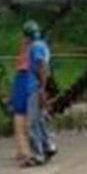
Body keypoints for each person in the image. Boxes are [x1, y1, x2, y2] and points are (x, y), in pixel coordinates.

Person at [9, 20, 42, 167]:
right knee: (33, 119)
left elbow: (19, 65)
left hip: (24, 80)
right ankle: (25, 149)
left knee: (19, 118)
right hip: (32, 82)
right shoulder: (40, 46)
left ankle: (24, 151)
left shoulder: (26, 48)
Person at [27, 24, 57, 162]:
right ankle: (48, 146)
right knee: (41, 117)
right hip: (41, 84)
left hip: (36, 86)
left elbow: (41, 67)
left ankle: (38, 153)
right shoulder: (42, 45)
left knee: (33, 121)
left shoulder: (35, 47)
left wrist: (41, 88)